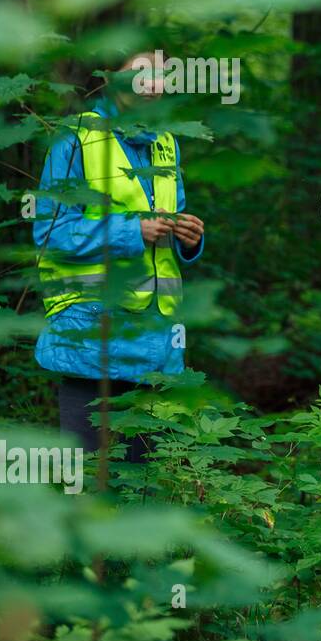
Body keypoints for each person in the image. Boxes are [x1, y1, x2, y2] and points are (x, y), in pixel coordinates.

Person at [34, 49, 206, 462]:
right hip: (91, 334)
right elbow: (50, 230)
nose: (154, 84)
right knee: (89, 475)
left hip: (155, 341)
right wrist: (132, 231)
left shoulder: (166, 143)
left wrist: (189, 238)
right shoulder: (76, 138)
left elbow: (170, 227)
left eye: (162, 75)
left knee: (143, 482)